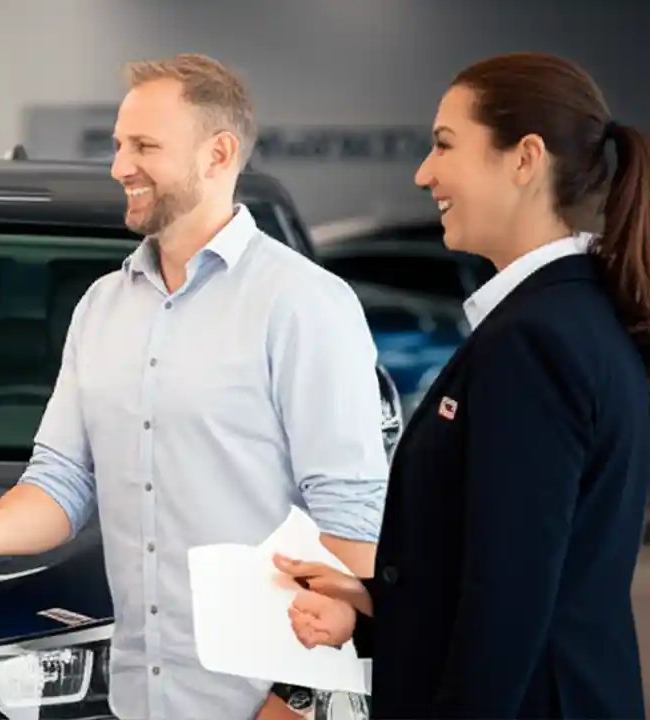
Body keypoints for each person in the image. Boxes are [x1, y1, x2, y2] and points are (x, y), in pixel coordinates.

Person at [0, 53, 391, 719]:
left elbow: (350, 516)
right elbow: (62, 482)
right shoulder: (102, 307)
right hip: (141, 700)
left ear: (218, 153)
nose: (119, 167)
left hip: (266, 705)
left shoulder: (303, 303)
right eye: (118, 144)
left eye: (144, 146)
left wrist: (298, 695)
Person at [275, 51, 650, 719]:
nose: (424, 173)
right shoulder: (573, 314)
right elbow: (510, 567)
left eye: (445, 145)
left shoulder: (535, 341)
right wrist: (375, 604)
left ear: (524, 159)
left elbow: (509, 601)